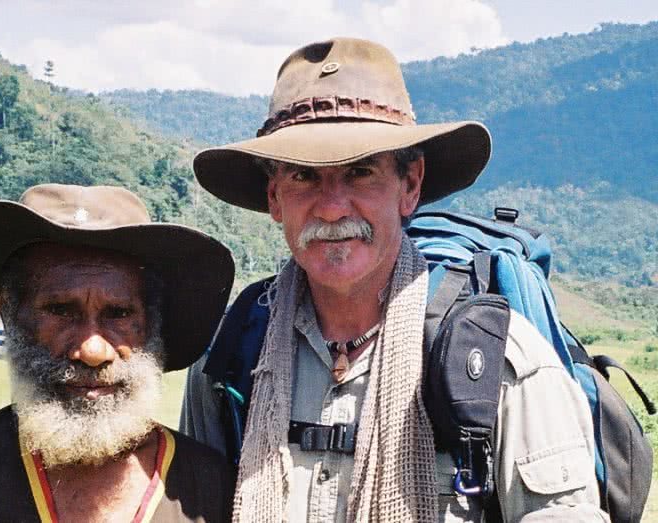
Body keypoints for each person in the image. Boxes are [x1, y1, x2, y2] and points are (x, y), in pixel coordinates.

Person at [181, 37, 608, 522]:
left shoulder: (495, 361)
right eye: (304, 176)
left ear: (410, 186)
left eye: (361, 172)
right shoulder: (231, 360)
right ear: (275, 198)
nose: (332, 206)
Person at [0, 184, 236, 522]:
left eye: (118, 313)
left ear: (149, 325)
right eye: (61, 310)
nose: (92, 351)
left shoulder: (210, 488)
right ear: (9, 313)